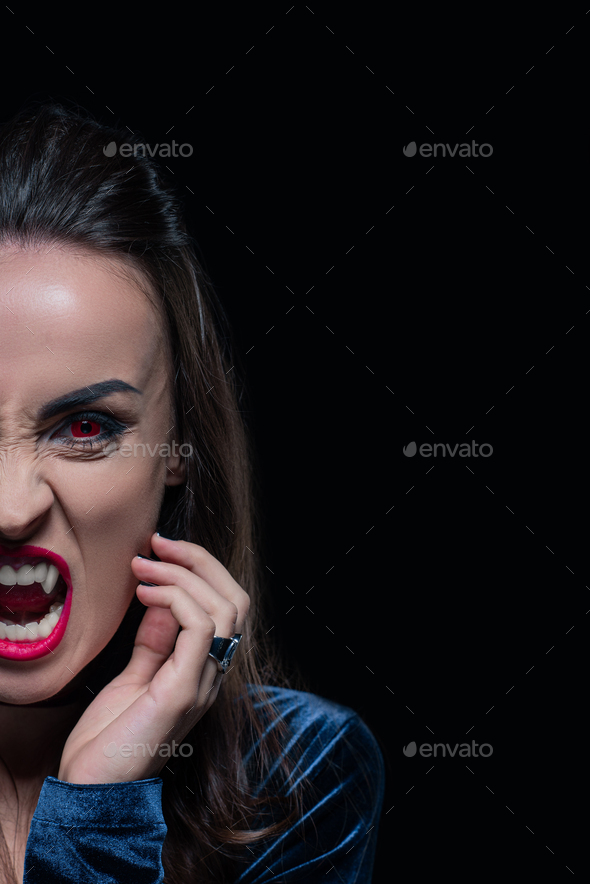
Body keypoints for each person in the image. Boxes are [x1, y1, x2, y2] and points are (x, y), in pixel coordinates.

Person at [0, 100, 385, 884]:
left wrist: (97, 813)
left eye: (84, 427)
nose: (12, 507)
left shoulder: (298, 778)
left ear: (177, 451)